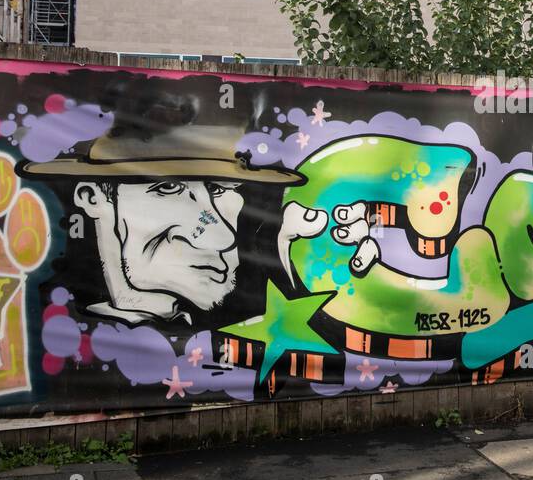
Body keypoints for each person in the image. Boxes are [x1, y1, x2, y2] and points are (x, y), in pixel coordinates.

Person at [19, 123, 313, 327]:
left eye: (219, 190)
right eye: (168, 189)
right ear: (93, 197)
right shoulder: (49, 323)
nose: (222, 237)